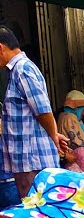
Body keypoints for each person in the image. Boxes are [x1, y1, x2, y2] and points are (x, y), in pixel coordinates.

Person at [0, 27, 68, 196]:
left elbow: (43, 110)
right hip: (25, 159)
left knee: (37, 210)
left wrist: (53, 135)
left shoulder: (23, 69)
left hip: (31, 160)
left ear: (1, 48)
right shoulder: (16, 71)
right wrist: (53, 133)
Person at [57, 91, 84, 172]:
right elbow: (78, 142)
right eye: (82, 110)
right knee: (83, 152)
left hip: (75, 151)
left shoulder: (76, 120)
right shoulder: (69, 117)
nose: (83, 113)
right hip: (70, 155)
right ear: (76, 108)